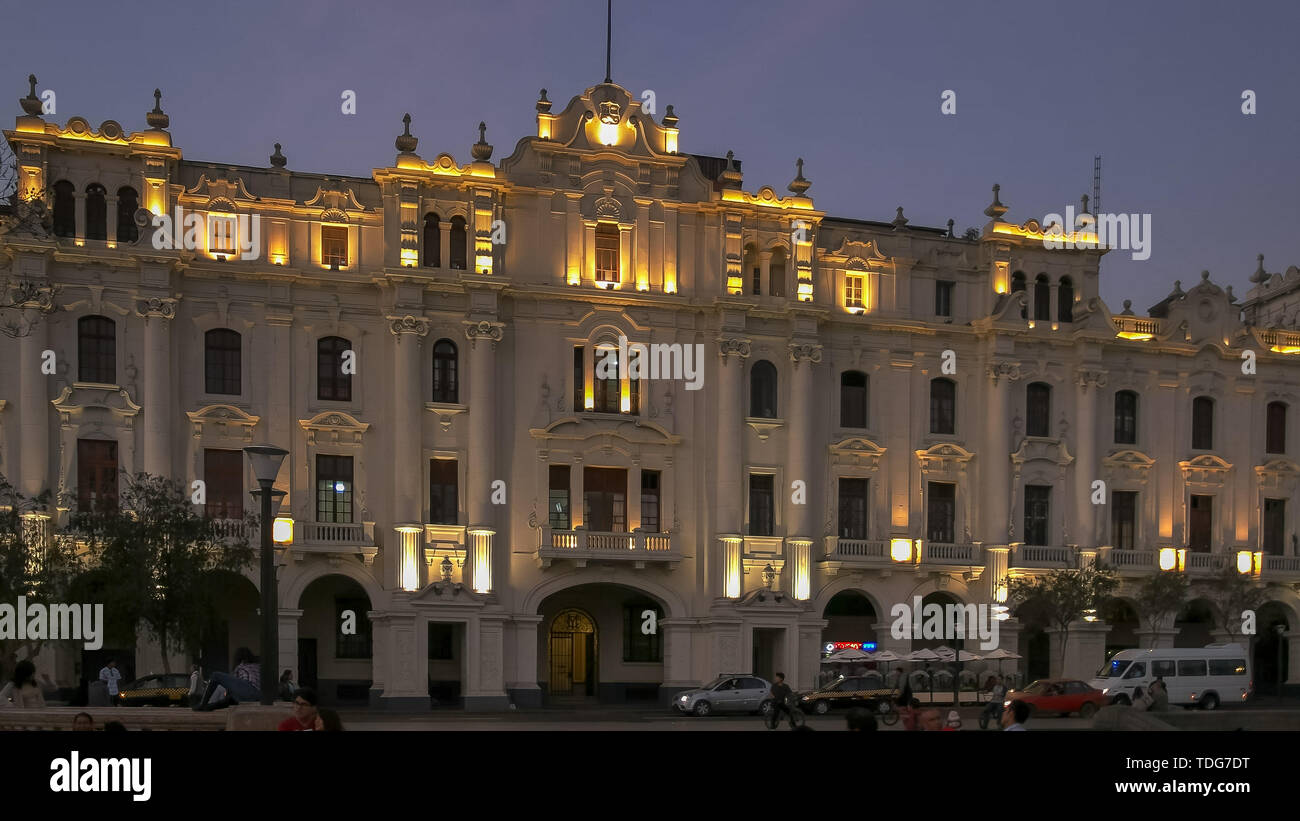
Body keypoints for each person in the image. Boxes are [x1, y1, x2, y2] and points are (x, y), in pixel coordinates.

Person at [194, 647, 260, 710]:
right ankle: (210, 707)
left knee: (215, 675)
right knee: (232, 698)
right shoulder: (257, 666)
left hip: (250, 690)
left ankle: (202, 704)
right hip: (259, 696)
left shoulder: (242, 666)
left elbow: (231, 689)